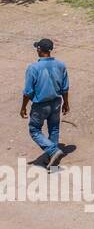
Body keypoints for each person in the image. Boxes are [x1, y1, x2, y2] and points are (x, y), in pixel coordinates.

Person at [20, 38, 75, 169]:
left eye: (37, 48)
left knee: (34, 130)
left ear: (39, 49)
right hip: (56, 102)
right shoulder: (61, 65)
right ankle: (53, 162)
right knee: (54, 129)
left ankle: (53, 151)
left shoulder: (33, 68)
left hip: (40, 105)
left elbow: (28, 91)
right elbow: (65, 88)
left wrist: (23, 107)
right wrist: (66, 103)